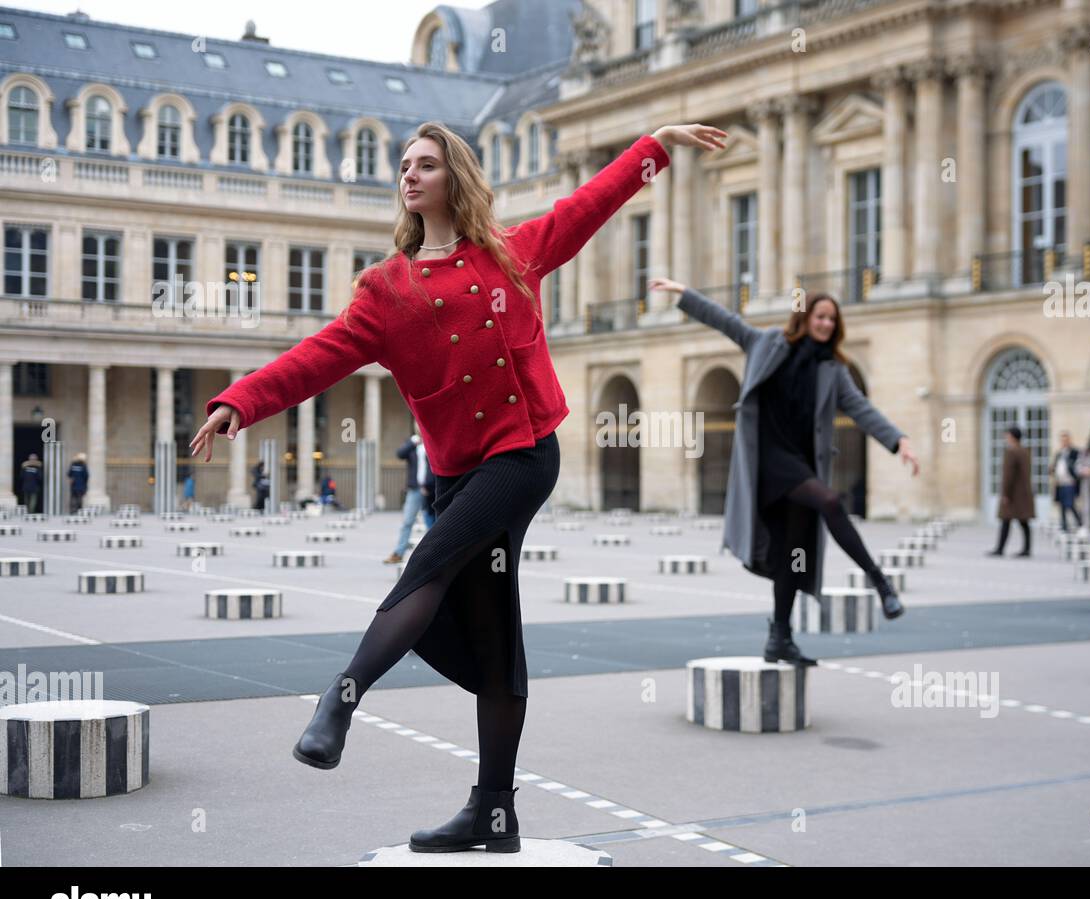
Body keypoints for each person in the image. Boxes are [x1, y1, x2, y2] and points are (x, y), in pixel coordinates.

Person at [190, 120, 725, 854]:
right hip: (453, 473)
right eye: (405, 166)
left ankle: (342, 698)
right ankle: (494, 813)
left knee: (428, 565)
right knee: (495, 639)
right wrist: (241, 400)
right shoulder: (384, 289)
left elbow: (586, 208)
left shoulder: (508, 253)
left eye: (427, 164)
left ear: (455, 178)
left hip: (523, 455)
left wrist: (653, 147)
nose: (410, 176)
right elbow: (318, 357)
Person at [650, 277, 920, 667]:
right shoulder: (766, 343)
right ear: (806, 317)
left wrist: (899, 441)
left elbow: (861, 408)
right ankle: (880, 582)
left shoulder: (833, 369)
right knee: (829, 501)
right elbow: (725, 320)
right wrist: (684, 294)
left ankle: (780, 637)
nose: (827, 324)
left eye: (832, 319)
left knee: (792, 555)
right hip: (768, 465)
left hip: (801, 467)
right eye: (821, 316)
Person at [386, 433, 436, 564]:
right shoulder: (413, 443)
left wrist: (430, 485)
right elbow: (400, 454)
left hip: (431, 490)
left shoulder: (432, 438)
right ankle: (399, 552)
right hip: (414, 489)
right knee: (407, 521)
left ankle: (433, 554)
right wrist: (413, 442)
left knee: (431, 522)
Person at [987, 426, 1034, 557]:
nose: (1006, 438)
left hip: (1013, 493)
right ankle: (1027, 548)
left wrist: (1005, 493)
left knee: (1006, 520)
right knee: (1023, 522)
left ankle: (1000, 548)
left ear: (1012, 437)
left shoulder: (1011, 452)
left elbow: (1008, 475)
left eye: (1007, 436)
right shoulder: (1025, 451)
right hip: (1023, 492)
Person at [1049, 430, 1080, 531]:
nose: (1064, 442)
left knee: (1070, 504)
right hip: (1060, 483)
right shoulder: (1059, 454)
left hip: (1070, 482)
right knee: (1062, 506)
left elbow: (1077, 466)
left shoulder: (1075, 452)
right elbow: (1057, 467)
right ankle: (1064, 525)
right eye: (1062, 440)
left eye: (1065, 440)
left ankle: (1080, 523)